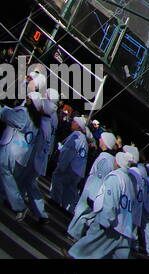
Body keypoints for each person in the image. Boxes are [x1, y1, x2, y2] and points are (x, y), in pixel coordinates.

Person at [68, 151, 135, 259]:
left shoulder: (115, 177)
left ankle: (73, 255)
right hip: (125, 228)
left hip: (112, 223)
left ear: (117, 163)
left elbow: (110, 202)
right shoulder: (130, 181)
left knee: (88, 246)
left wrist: (104, 220)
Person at [0, 72, 44, 215]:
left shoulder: (25, 114)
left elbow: (7, 115)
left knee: (5, 174)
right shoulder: (38, 119)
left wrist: (4, 109)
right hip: (22, 154)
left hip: (12, 150)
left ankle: (19, 206)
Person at [68, 131, 117, 238]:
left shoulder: (105, 159)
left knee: (82, 213)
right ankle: (75, 233)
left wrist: (92, 196)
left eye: (102, 139)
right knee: (84, 214)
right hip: (92, 190)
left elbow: (99, 179)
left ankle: (74, 233)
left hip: (91, 191)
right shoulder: (108, 158)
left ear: (105, 142)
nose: (99, 140)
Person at [50, 116, 90, 212]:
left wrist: (61, 166)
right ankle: (69, 207)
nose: (72, 123)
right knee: (70, 189)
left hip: (70, 167)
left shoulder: (76, 136)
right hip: (78, 170)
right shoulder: (84, 139)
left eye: (74, 122)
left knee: (58, 179)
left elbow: (68, 152)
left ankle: (56, 200)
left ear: (78, 125)